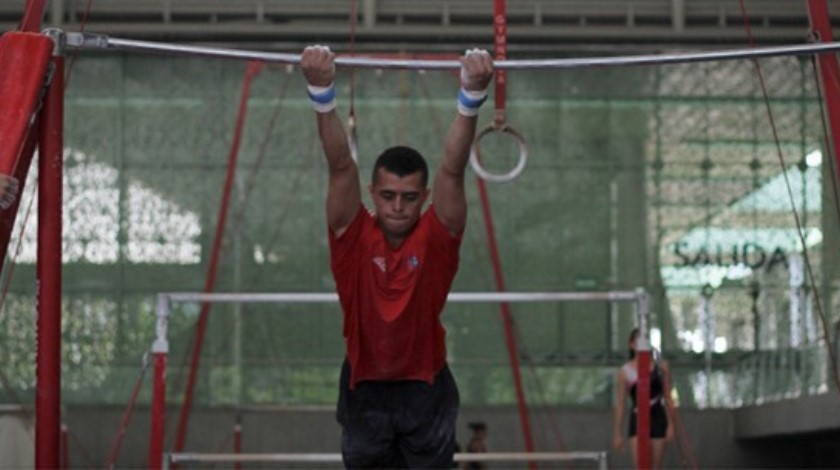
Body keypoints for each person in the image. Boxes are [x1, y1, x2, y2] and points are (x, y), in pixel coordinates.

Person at [300, 45, 494, 468]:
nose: (398, 207)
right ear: (373, 195)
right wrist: (321, 91)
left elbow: (451, 170)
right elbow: (339, 167)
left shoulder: (436, 235)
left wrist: (471, 98)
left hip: (425, 390)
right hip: (364, 388)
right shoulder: (352, 235)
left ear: (424, 198)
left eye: (409, 198)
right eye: (387, 196)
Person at [612, 328, 674, 469]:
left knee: (655, 466)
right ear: (631, 345)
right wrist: (617, 433)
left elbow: (668, 396)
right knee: (641, 466)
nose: (641, 345)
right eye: (637, 342)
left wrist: (671, 424)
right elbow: (620, 403)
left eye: (644, 341)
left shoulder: (661, 366)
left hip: (658, 417)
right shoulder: (625, 371)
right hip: (637, 417)